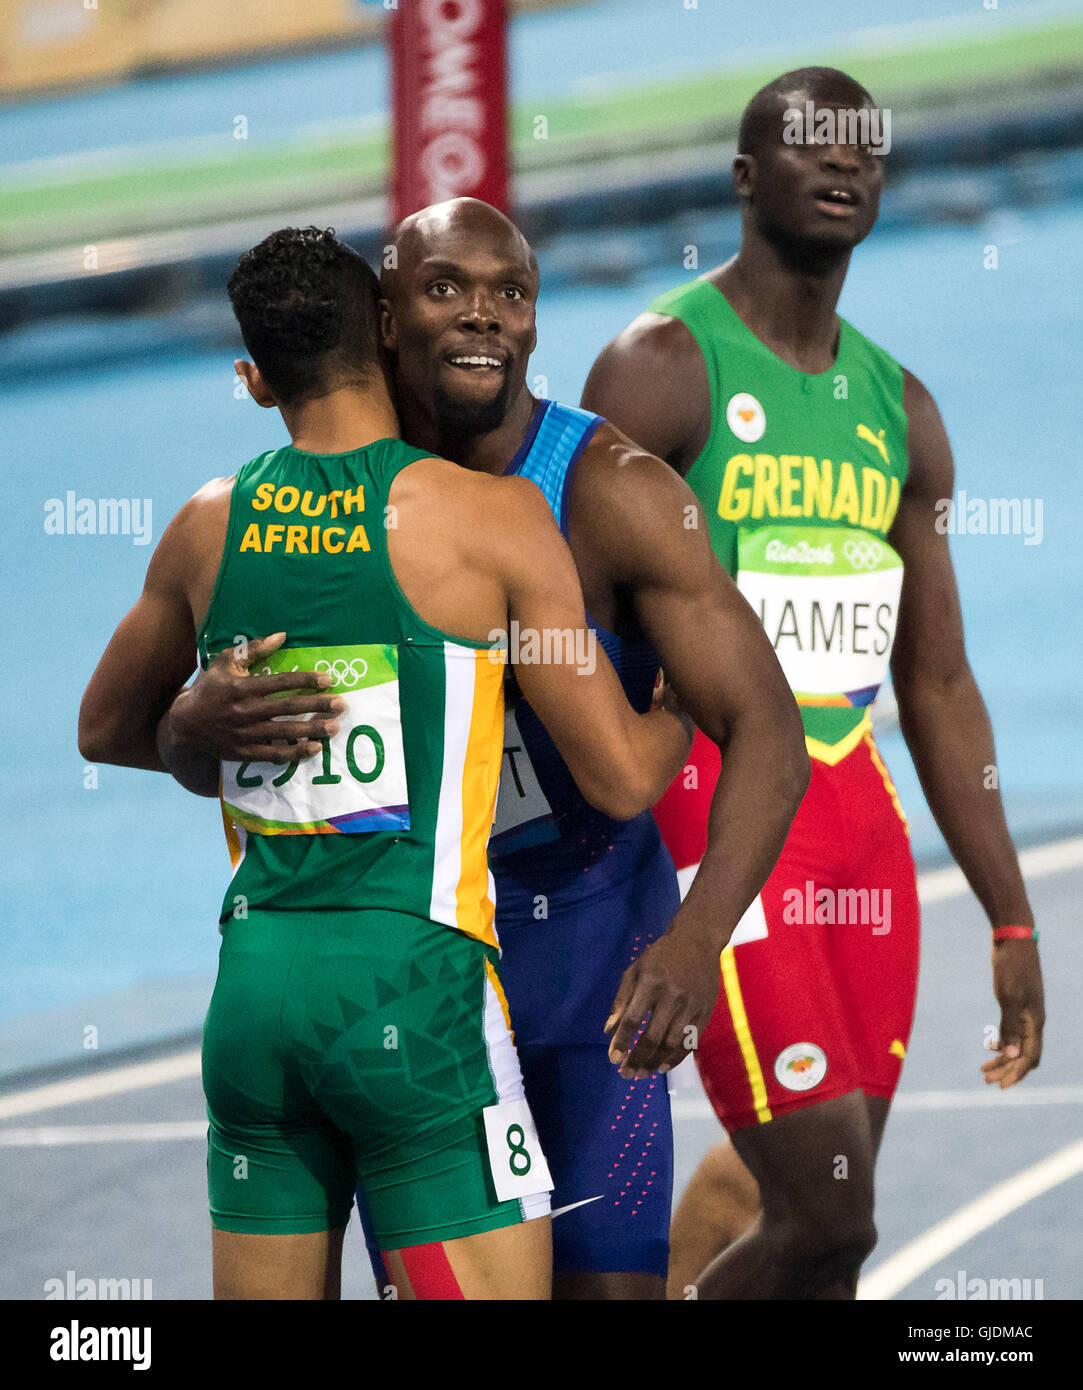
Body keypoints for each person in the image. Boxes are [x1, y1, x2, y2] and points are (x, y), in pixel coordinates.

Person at [154, 198, 811, 1299]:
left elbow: (770, 731)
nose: (483, 319)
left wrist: (697, 939)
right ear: (383, 316)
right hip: (406, 978)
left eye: (512, 295)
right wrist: (187, 723)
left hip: (584, 973)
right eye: (446, 288)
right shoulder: (327, 501)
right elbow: (168, 718)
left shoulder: (612, 493)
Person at [581, 66, 1046, 1299]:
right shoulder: (661, 367)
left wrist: (1007, 912)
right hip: (725, 826)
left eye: (867, 152)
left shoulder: (901, 410)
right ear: (745, 178)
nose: (846, 165)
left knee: (797, 1216)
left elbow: (939, 683)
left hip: (859, 832)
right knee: (829, 1219)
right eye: (811, 146)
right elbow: (561, 629)